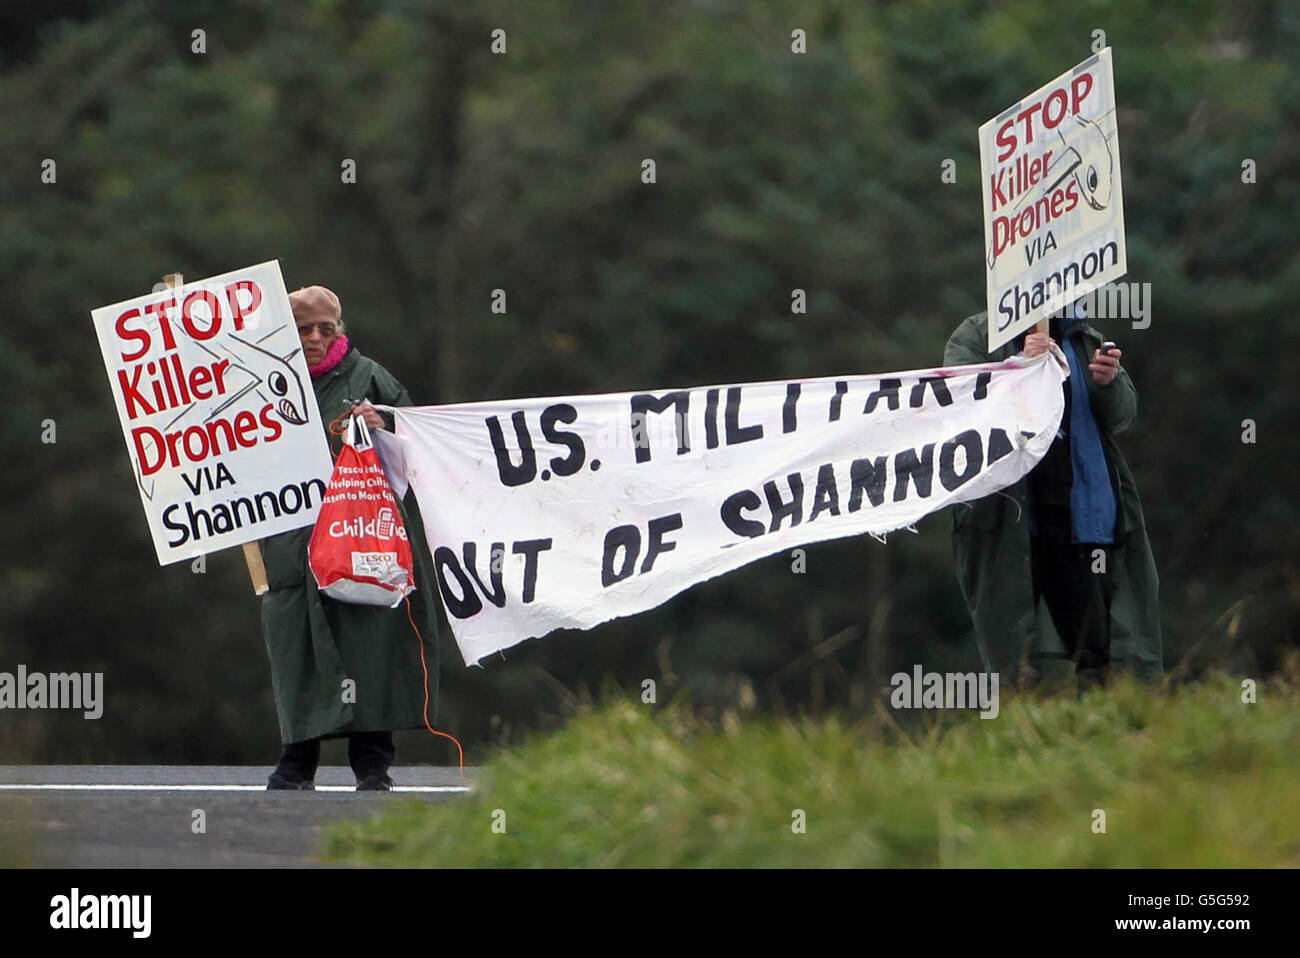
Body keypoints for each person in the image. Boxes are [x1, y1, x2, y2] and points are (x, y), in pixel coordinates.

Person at [261, 285, 440, 790]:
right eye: (304, 329)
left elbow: (418, 443)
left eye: (327, 328)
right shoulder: (260, 384)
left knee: (372, 646)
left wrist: (383, 421)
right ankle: (296, 764)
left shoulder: (370, 377)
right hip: (291, 541)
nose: (316, 338)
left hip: (363, 534)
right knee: (297, 648)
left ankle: (373, 766)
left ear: (340, 328)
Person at [943, 299, 1161, 689]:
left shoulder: (1085, 338)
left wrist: (1107, 384)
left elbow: (1123, 414)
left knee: (1102, 652)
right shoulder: (978, 335)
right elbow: (958, 402)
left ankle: (1109, 733)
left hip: (1081, 523)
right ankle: (1023, 740)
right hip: (1008, 526)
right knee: (1014, 662)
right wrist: (1016, 370)